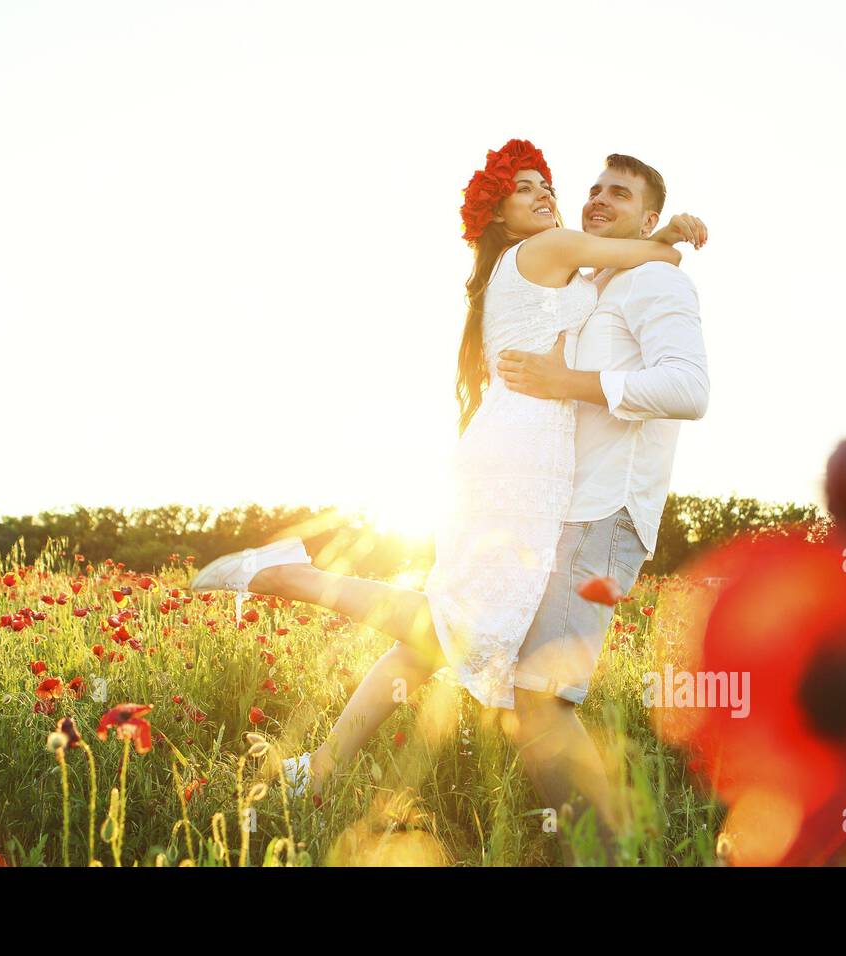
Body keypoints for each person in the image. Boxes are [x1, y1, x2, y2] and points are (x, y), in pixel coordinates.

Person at [188, 141, 707, 852]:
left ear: (644, 212)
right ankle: (292, 578)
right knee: (464, 634)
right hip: (528, 469)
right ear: (498, 211)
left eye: (615, 193)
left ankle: (317, 764)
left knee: (444, 637)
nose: (582, 198)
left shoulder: (580, 269)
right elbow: (645, 261)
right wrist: (668, 239)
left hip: (547, 476)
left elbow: (685, 380)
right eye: (586, 188)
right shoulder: (565, 256)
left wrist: (659, 243)